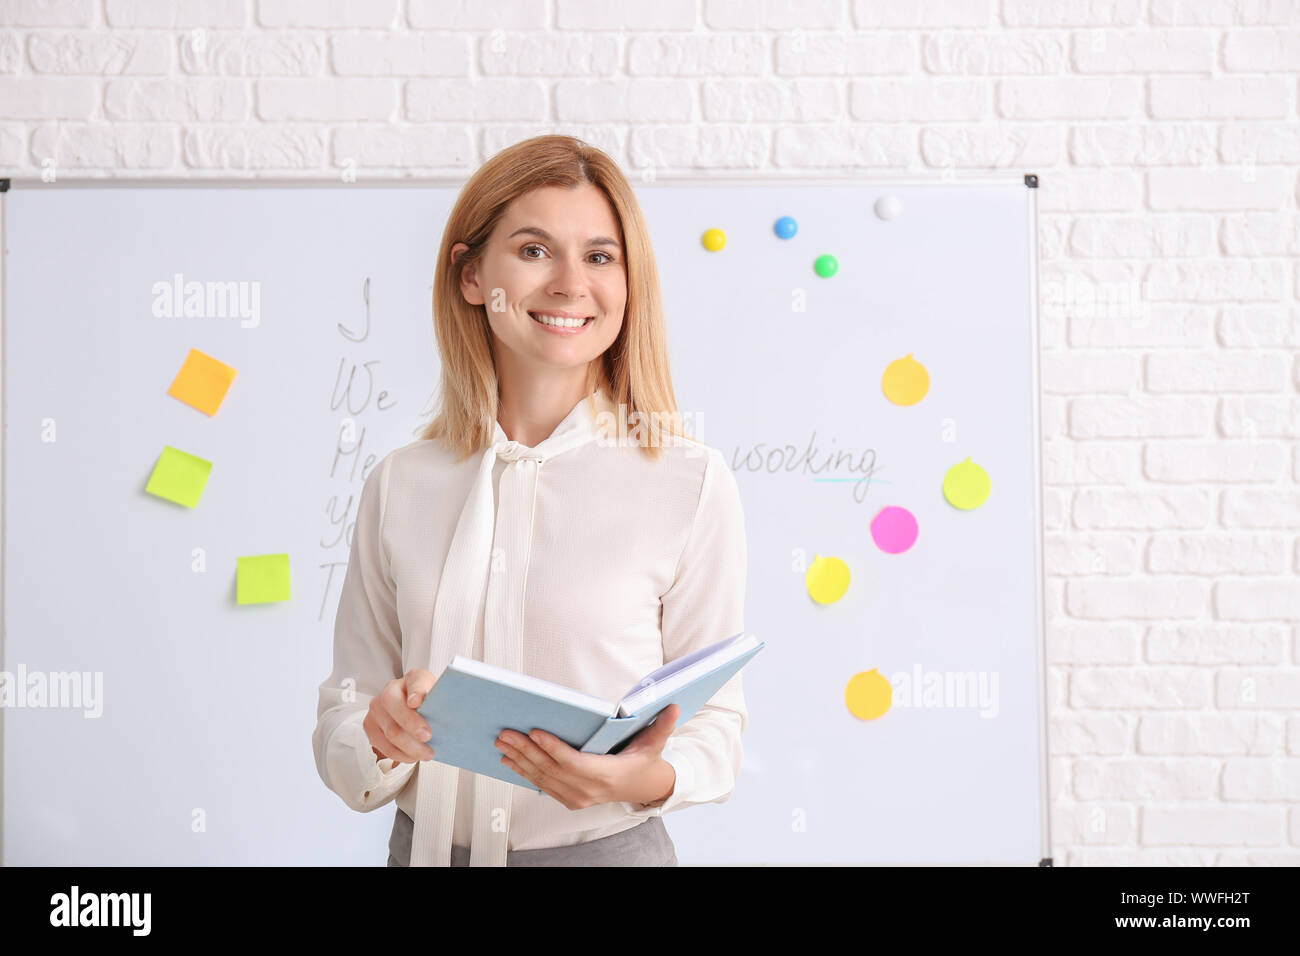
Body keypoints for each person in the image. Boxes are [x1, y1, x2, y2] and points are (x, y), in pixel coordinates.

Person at [312, 134, 749, 867]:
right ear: (472, 276)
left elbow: (718, 726)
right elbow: (343, 715)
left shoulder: (689, 482)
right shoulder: (401, 482)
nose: (571, 284)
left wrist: (649, 776)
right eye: (536, 250)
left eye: (601, 256)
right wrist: (377, 739)